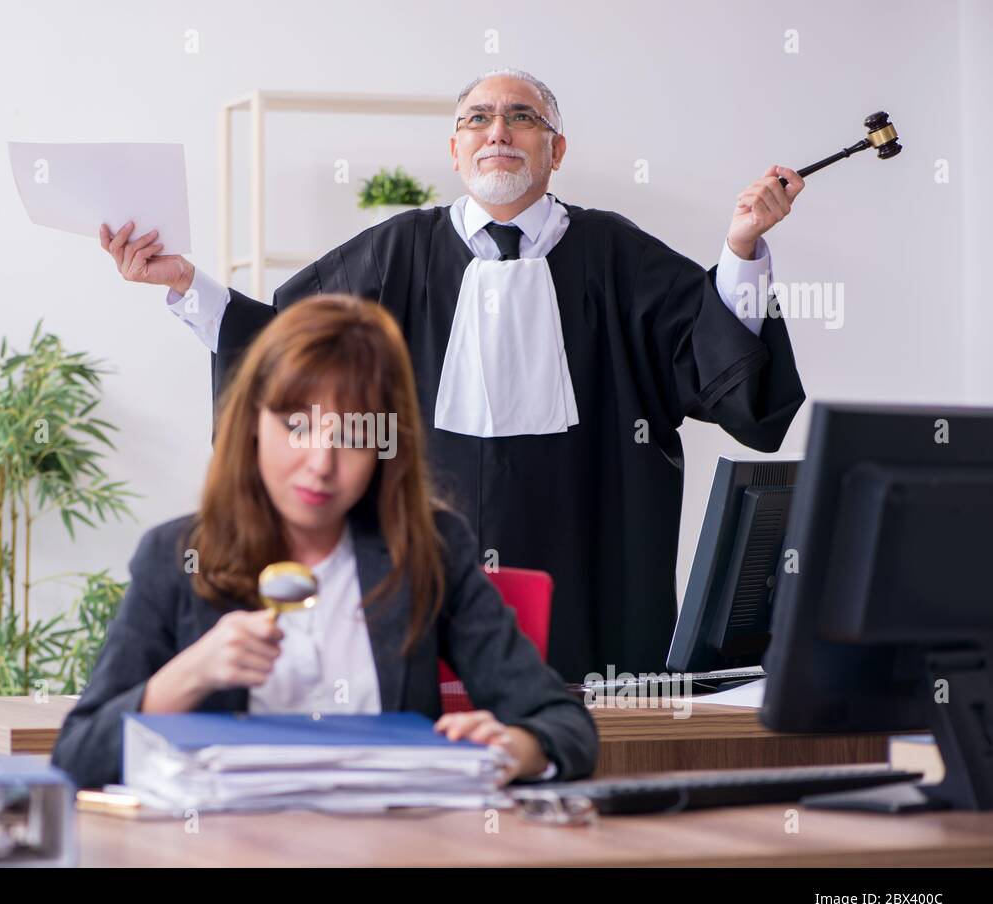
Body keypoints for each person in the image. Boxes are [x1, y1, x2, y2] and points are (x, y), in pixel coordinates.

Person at [100, 68, 806, 681]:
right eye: (477, 118)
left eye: (521, 117)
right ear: (455, 148)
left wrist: (742, 246)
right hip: (421, 552)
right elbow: (286, 344)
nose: (497, 129)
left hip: (592, 556)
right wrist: (188, 284)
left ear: (556, 150)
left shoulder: (614, 253)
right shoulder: (397, 251)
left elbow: (717, 362)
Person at [51, 295, 597, 790]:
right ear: (252, 424)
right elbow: (76, 757)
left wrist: (514, 749)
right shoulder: (173, 557)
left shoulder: (429, 550)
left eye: (354, 436)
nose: (320, 463)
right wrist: (192, 673)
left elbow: (564, 725)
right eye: (295, 425)